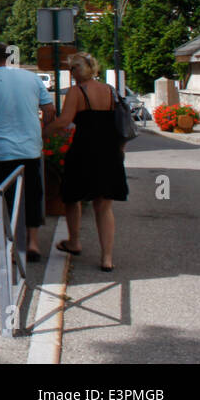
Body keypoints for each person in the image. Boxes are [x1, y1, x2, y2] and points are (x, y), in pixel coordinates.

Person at [0, 43, 54, 261]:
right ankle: (32, 243)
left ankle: (9, 244)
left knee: (0, 199)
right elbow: (49, 109)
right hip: (30, 150)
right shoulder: (32, 78)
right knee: (32, 196)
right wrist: (42, 133)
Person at [44, 52, 128, 271]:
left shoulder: (77, 91)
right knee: (104, 204)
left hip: (84, 150)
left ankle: (74, 241)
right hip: (109, 151)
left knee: (72, 197)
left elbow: (64, 121)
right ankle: (107, 258)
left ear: (75, 71)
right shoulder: (109, 90)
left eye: (72, 69)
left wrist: (42, 134)